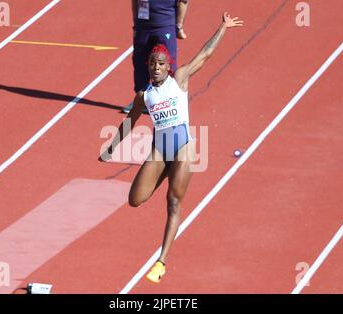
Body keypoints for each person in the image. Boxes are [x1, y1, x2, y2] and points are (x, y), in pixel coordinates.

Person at [100, 12, 244, 283]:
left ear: (168, 66)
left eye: (161, 63)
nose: (156, 67)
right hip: (160, 149)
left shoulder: (179, 79)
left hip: (183, 148)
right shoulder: (144, 96)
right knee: (135, 200)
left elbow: (205, 55)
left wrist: (222, 27)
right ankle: (162, 174)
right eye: (153, 63)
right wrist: (112, 148)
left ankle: (161, 261)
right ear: (149, 66)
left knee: (174, 202)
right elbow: (129, 122)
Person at [122, 0, 190, 114]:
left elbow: (183, 1)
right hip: (142, 27)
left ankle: (169, 102)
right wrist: (136, 23)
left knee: (168, 64)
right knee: (139, 62)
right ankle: (142, 100)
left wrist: (179, 25)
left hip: (164, 25)